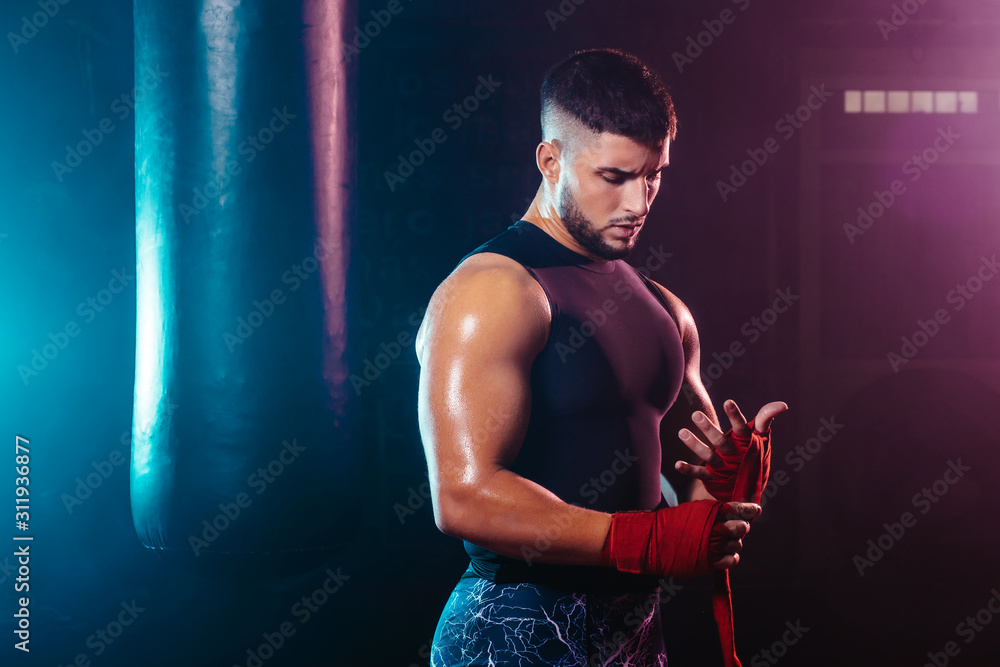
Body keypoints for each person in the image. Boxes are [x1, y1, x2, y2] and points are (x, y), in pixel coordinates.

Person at [414, 47, 787, 667]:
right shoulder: (493, 291)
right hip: (514, 629)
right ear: (550, 160)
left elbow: (667, 509)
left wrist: (716, 486)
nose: (639, 202)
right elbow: (463, 498)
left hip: (636, 630)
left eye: (654, 174)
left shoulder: (666, 309)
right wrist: (647, 539)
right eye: (613, 177)